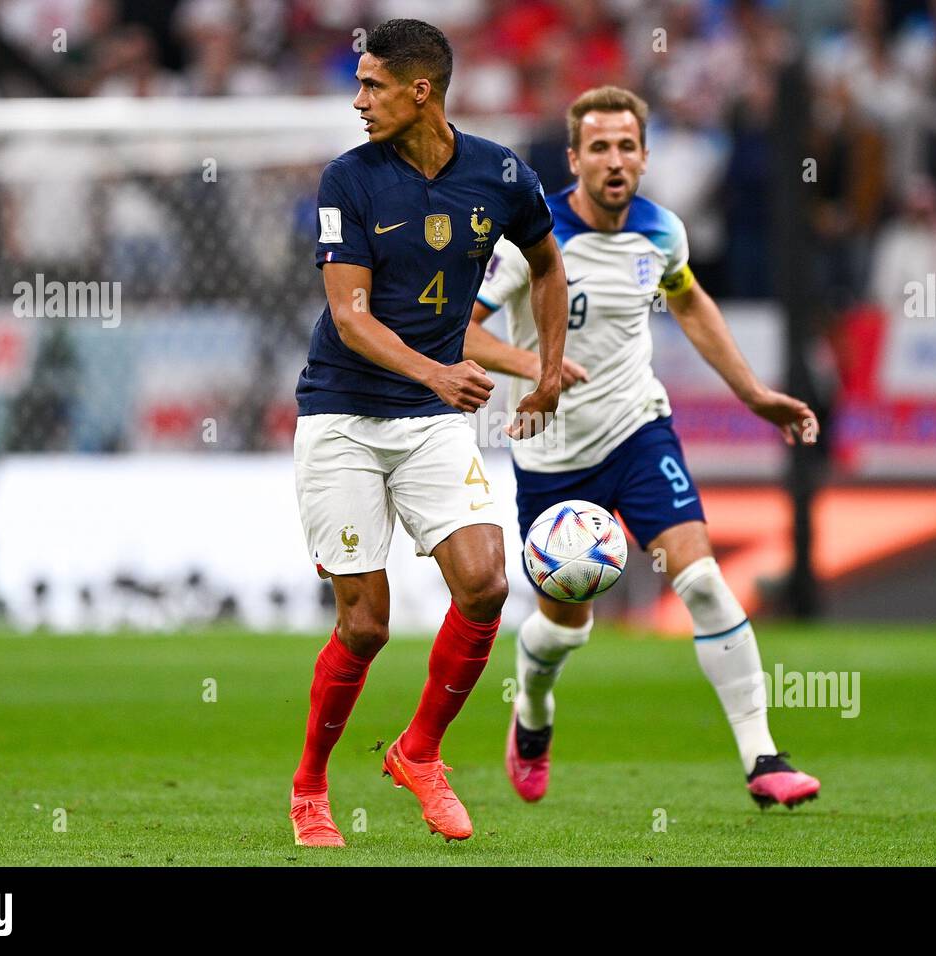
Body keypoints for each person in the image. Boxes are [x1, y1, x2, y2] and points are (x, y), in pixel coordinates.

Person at [466, 86, 821, 809]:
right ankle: (532, 709)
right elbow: (464, 333)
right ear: (574, 159)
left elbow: (687, 299)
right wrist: (533, 367)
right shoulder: (531, 240)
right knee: (567, 628)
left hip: (637, 432)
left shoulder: (662, 233)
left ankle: (763, 757)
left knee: (700, 578)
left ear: (645, 155)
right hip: (552, 457)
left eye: (627, 146)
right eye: (599, 147)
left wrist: (753, 392)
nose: (615, 160)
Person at [289, 18, 567, 846]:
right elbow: (349, 316)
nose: (358, 99)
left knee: (485, 583)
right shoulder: (349, 179)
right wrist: (441, 372)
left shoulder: (501, 173)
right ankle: (309, 787)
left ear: (422, 91)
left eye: (372, 85)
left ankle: (419, 752)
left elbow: (547, 261)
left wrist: (548, 367)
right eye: (359, 83)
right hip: (342, 413)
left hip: (429, 420)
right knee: (366, 624)